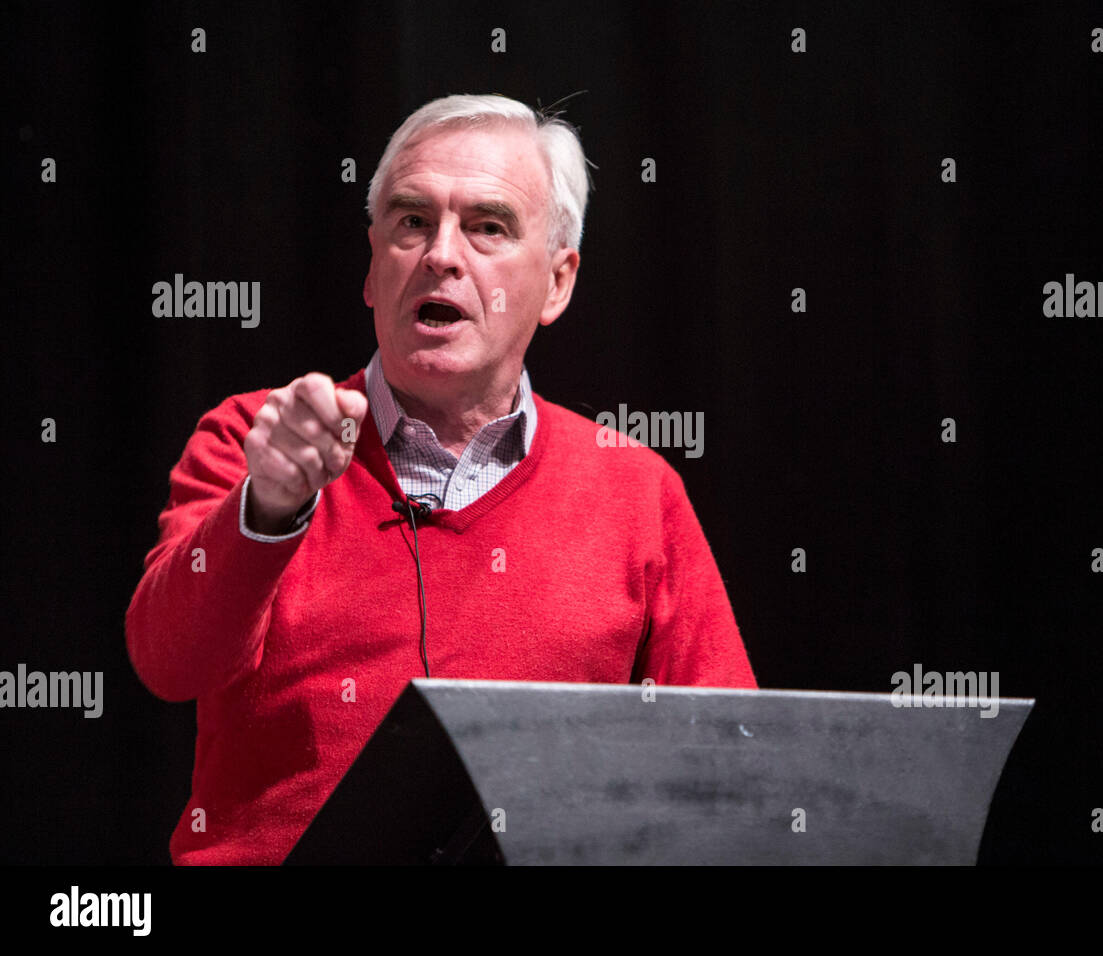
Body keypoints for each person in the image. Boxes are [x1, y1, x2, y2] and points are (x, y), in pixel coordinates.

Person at [125, 93, 757, 865]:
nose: (441, 254)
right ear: (371, 268)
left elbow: (734, 768)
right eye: (410, 221)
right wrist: (271, 507)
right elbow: (168, 662)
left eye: (488, 227)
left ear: (558, 282)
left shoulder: (637, 491)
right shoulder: (256, 442)